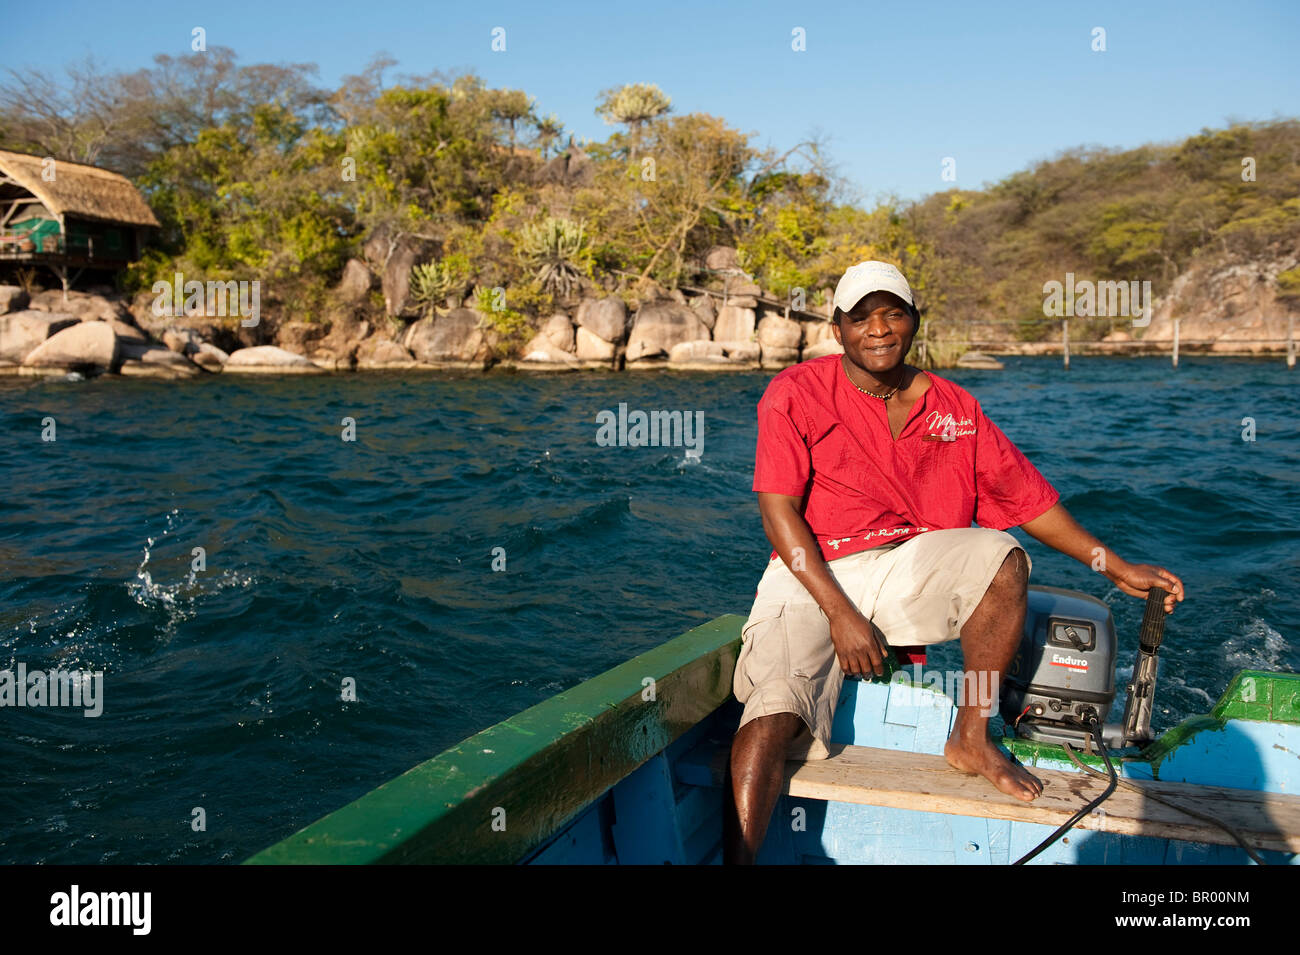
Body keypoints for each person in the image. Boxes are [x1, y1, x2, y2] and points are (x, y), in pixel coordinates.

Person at [723, 260, 1185, 865]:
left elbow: (1029, 501)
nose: (879, 329)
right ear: (837, 330)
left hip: (905, 562)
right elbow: (778, 512)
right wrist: (839, 613)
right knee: (771, 718)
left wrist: (1116, 567)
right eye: (861, 317)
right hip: (809, 570)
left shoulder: (953, 406)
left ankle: (970, 737)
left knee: (1002, 557)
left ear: (915, 321)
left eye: (893, 313)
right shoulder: (796, 392)